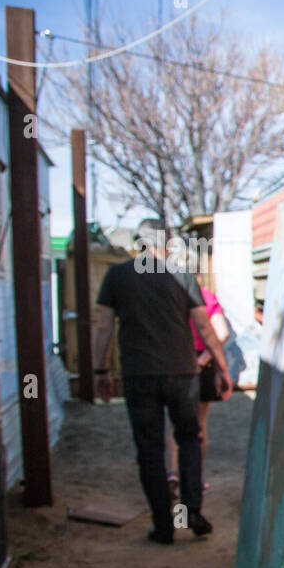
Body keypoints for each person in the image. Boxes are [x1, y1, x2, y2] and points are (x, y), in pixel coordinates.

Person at [91, 219, 232, 544]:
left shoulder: (117, 276)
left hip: (139, 374)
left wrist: (99, 371)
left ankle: (163, 526)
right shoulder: (182, 276)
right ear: (168, 244)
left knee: (150, 448)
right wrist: (221, 368)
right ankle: (192, 509)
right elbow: (206, 328)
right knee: (189, 439)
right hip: (182, 372)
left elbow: (103, 328)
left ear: (138, 243)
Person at [165, 286, 231, 496]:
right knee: (199, 422)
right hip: (203, 361)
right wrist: (204, 359)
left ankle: (172, 473)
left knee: (174, 422)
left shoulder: (167, 293)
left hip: (175, 359)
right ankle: (195, 479)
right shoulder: (206, 296)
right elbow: (223, 333)